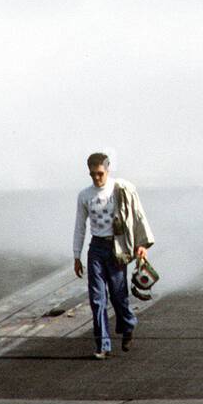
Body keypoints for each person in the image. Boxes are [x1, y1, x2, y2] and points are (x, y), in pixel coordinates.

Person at [72, 153, 154, 359]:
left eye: (100, 174)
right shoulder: (84, 195)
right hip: (96, 249)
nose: (97, 178)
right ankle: (102, 345)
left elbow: (137, 215)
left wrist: (142, 244)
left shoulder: (121, 189)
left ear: (108, 170)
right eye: (93, 175)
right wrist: (76, 255)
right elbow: (80, 226)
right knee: (97, 299)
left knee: (118, 294)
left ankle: (128, 324)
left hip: (117, 247)